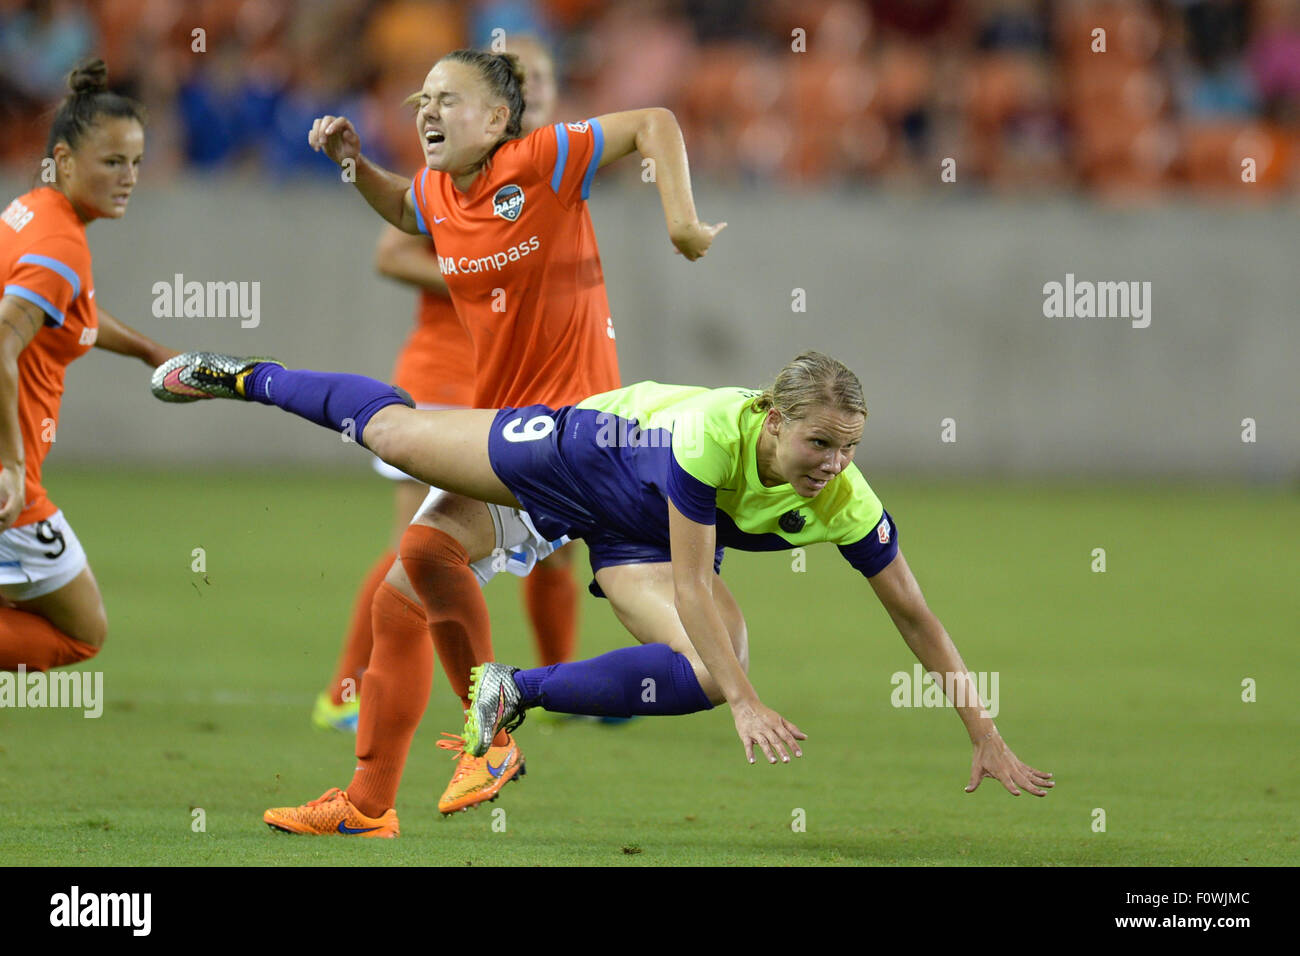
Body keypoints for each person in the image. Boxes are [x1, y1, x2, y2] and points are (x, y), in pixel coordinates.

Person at [152, 349, 1054, 836]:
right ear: (774, 422)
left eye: (850, 447)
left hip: (636, 533)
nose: (835, 465)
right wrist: (749, 703)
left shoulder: (845, 498)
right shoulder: (711, 436)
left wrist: (985, 732)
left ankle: (511, 694)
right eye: (820, 443)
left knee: (707, 670)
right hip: (579, 456)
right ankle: (244, 377)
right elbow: (695, 582)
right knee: (394, 432)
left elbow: (913, 613)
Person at [243, 46, 722, 824]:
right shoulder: (437, 188)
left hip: (575, 437)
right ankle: (390, 789)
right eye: (422, 98)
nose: (426, 110)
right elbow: (406, 211)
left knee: (424, 556)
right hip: (515, 436)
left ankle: (485, 736)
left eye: (448, 98)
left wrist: (683, 221)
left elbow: (655, 123)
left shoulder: (542, 158)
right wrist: (354, 164)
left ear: (499, 117)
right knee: (411, 578)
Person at [312, 37, 586, 738]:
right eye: (526, 76)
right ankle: (352, 693)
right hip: (443, 378)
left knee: (557, 542)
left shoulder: (545, 170)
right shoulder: (454, 171)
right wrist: (488, 275)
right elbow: (391, 247)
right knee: (422, 545)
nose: (539, 87)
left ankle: (562, 687)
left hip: (519, 392)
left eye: (546, 77)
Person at [0, 58, 179, 673]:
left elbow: (71, 317)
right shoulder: (61, 246)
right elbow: (3, 340)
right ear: (65, 160)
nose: (128, 177)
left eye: (135, 162)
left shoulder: (31, 212)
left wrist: (151, 352)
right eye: (112, 162)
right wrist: (13, 465)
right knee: (81, 633)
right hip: (9, 487)